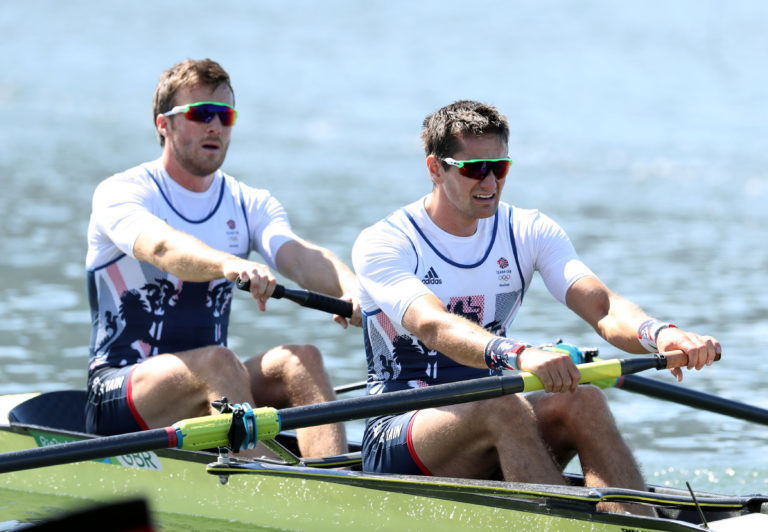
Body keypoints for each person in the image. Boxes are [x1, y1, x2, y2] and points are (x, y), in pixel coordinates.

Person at [351, 100, 721, 514]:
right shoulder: (385, 241)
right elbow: (432, 325)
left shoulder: (528, 230)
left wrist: (659, 333)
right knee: (504, 405)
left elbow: (602, 306)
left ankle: (634, 522)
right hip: (399, 431)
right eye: (474, 168)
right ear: (435, 169)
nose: (489, 180)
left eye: (500, 167)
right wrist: (519, 353)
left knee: (584, 398)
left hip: (493, 411)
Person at [85, 58, 361, 458]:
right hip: (120, 397)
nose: (215, 126)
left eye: (225, 116)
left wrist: (351, 290)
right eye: (200, 114)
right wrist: (227, 264)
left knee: (302, 360)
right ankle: (275, 489)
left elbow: (299, 257)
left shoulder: (248, 202)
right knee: (219, 362)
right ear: (164, 125)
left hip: (212, 393)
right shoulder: (122, 193)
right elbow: (162, 249)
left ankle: (335, 486)